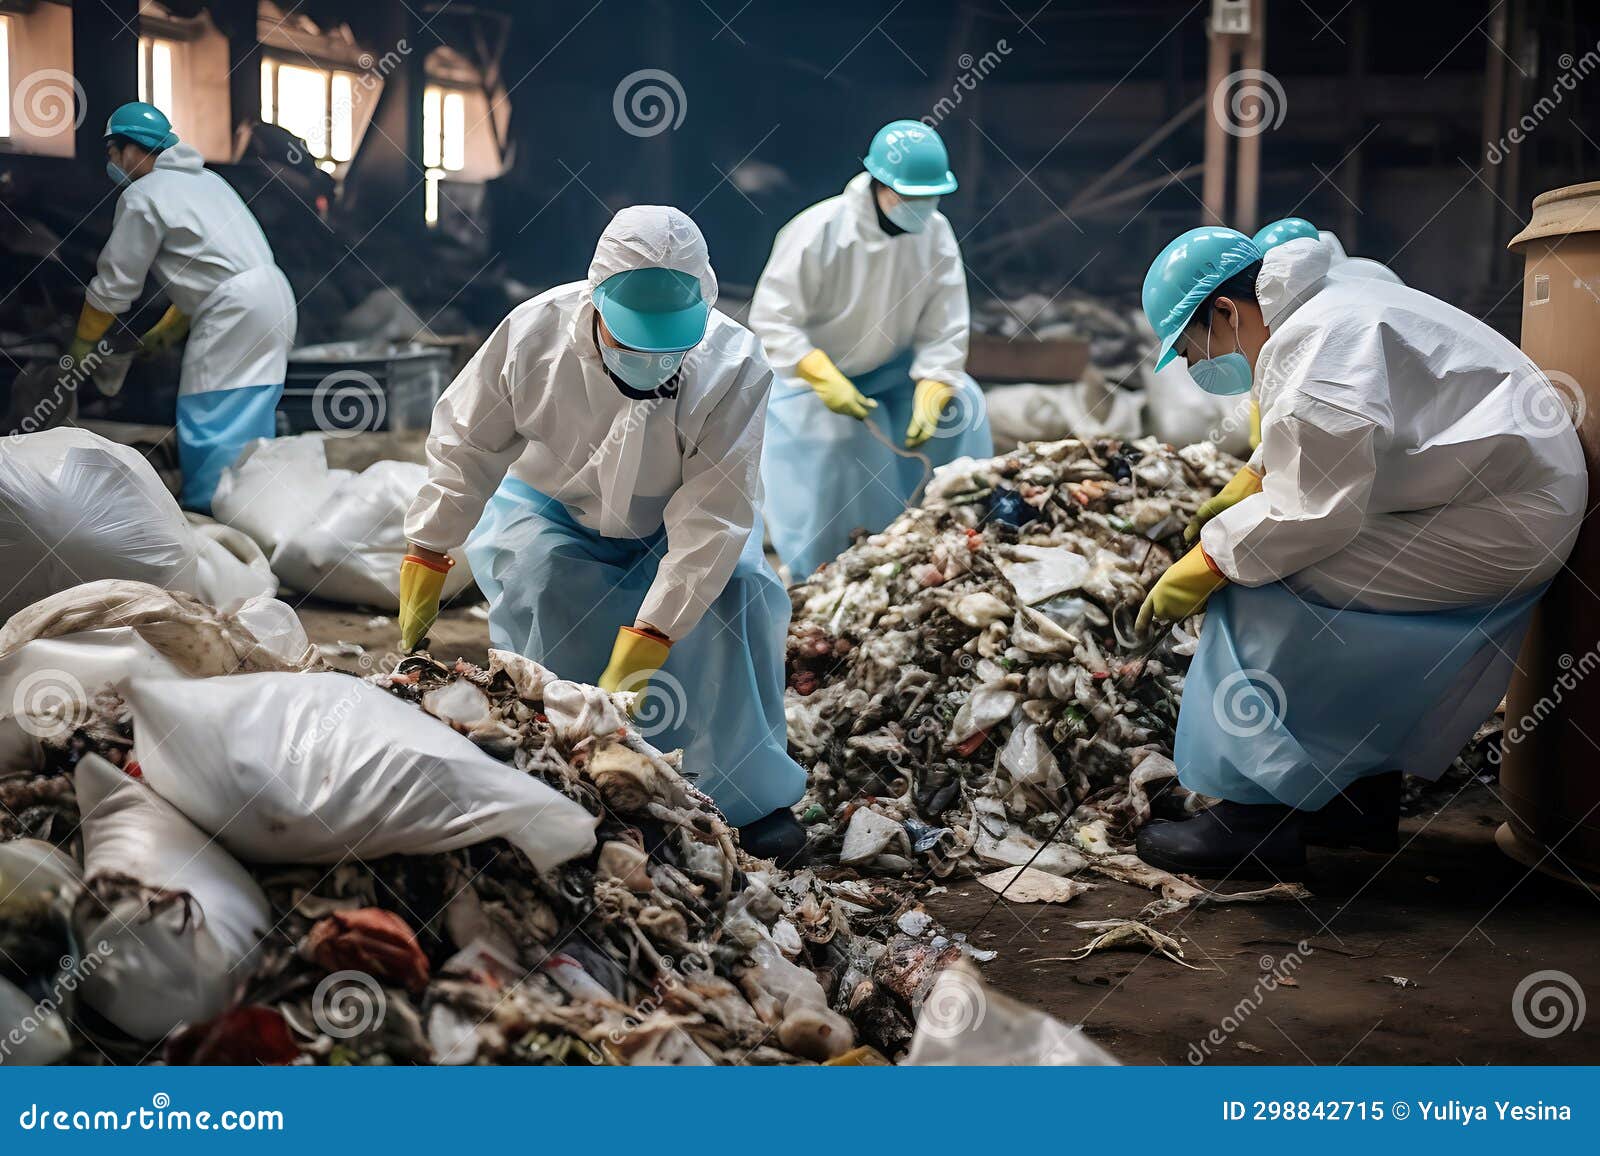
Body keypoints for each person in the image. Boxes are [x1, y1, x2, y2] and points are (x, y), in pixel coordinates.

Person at [1132, 226, 1586, 879]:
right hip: (1502, 497)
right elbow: (1341, 436)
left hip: (1503, 519)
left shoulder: (1313, 344)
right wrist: (1253, 478)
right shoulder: (1326, 304)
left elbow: (1311, 515)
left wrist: (1206, 563)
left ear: (1227, 312)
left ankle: (1252, 820)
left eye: (1189, 348)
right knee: (1288, 572)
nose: (1197, 366)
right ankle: (1352, 800)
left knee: (1262, 585)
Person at [399, 206, 808, 862]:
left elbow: (712, 515)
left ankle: (743, 798)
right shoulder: (532, 336)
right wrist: (429, 550)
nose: (652, 358)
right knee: (544, 582)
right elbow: (466, 447)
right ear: (594, 303)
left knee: (738, 594)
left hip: (683, 515)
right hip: (554, 506)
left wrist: (647, 643)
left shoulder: (733, 362)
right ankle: (561, 784)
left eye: (669, 344)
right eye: (633, 339)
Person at [749, 119, 992, 579]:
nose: (921, 207)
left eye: (930, 196)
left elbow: (945, 323)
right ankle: (833, 569)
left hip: (893, 372)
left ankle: (953, 549)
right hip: (814, 380)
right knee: (843, 440)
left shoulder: (935, 233)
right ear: (879, 185)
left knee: (966, 407)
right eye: (910, 196)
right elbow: (773, 319)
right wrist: (817, 371)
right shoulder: (816, 231)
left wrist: (936, 380)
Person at [67, 102, 297, 512]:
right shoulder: (208, 181)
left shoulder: (144, 194)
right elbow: (211, 267)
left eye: (112, 152)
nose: (112, 163)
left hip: (235, 308)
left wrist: (82, 344)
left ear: (133, 150)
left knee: (209, 408)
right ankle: (256, 506)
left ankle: (210, 516)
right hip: (273, 295)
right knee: (250, 405)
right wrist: (167, 331)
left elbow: (117, 284)